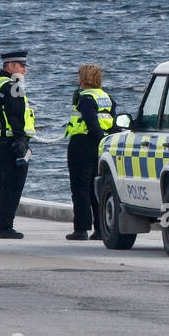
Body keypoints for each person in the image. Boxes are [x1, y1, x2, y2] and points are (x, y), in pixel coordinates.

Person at [63, 63, 115, 240]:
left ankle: (81, 229)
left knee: (80, 188)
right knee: (96, 188)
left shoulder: (85, 98)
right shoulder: (106, 97)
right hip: (100, 146)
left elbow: (91, 123)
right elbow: (113, 123)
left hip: (82, 144)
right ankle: (100, 229)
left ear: (83, 78)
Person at [0, 49, 36, 238]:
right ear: (10, 66)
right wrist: (21, 139)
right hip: (12, 142)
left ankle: (1, 224)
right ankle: (5, 227)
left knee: (3, 185)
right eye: (21, 65)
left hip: (1, 141)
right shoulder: (13, 85)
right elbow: (15, 114)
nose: (24, 69)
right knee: (13, 186)